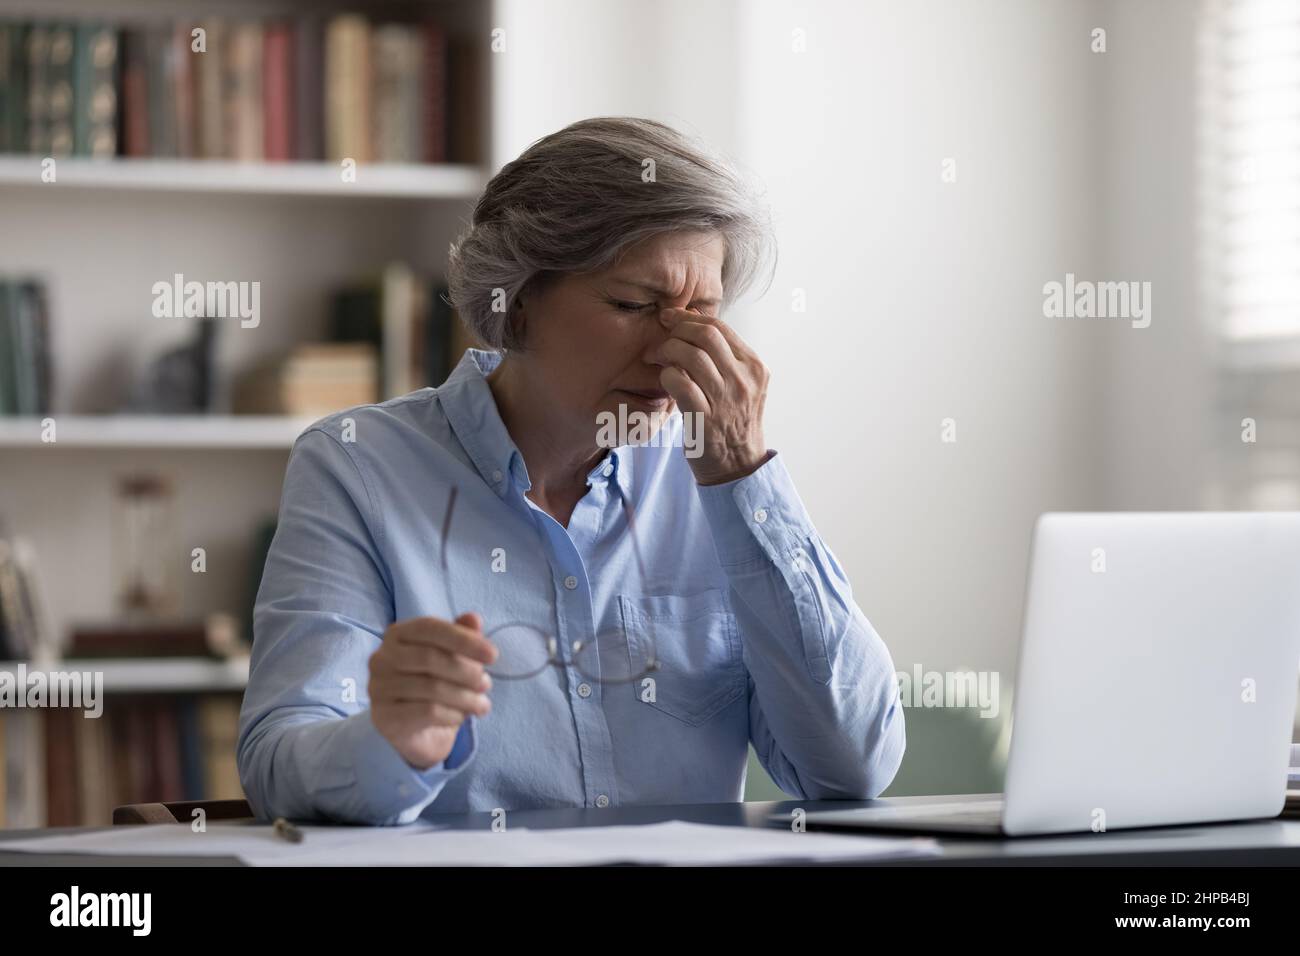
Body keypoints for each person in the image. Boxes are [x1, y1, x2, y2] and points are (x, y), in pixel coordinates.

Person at [237, 117, 905, 824]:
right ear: (517, 305)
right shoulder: (358, 465)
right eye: (633, 305)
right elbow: (278, 761)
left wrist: (745, 477)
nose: (671, 351)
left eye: (702, 311)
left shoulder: (722, 484)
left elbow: (852, 768)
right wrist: (392, 744)